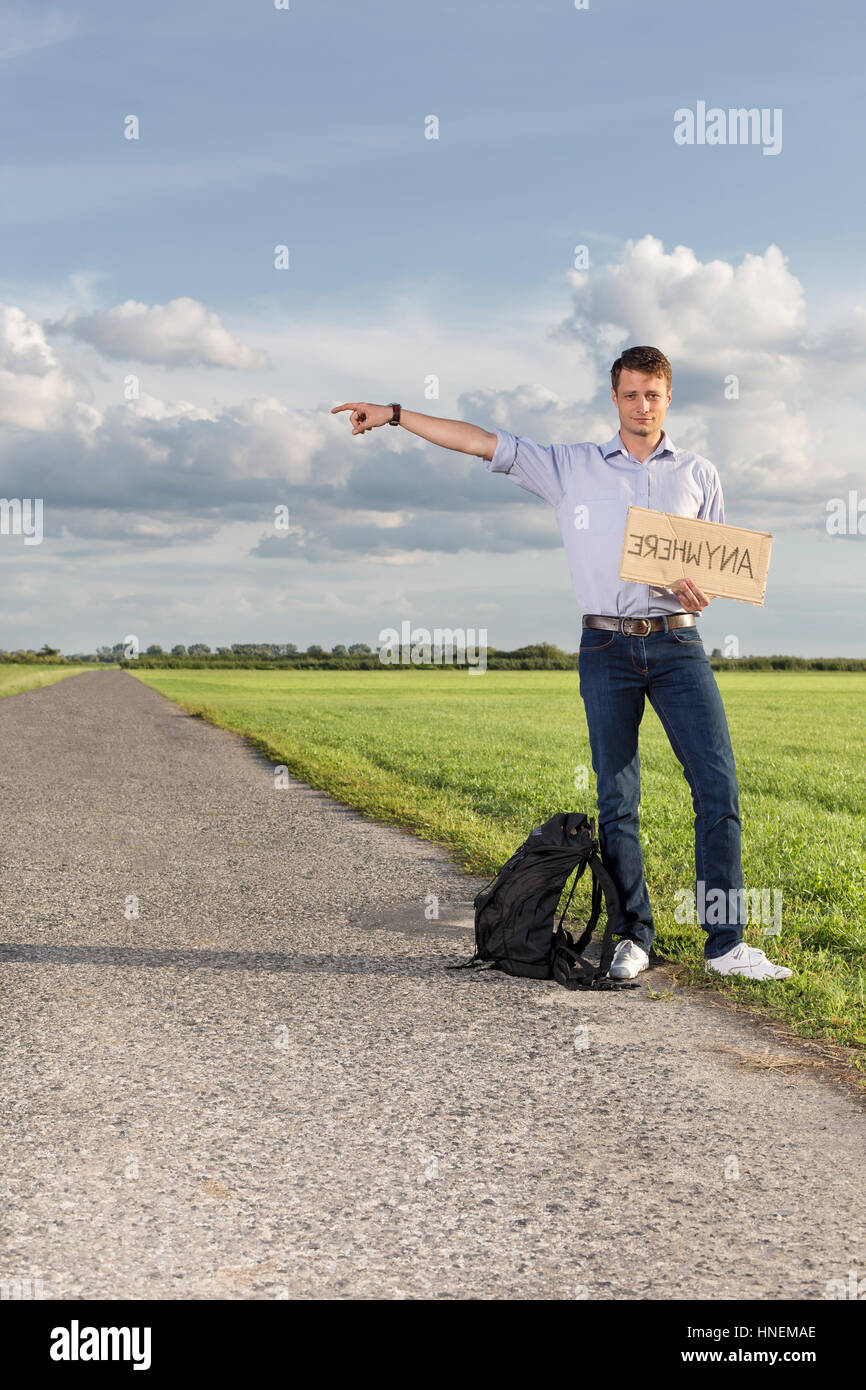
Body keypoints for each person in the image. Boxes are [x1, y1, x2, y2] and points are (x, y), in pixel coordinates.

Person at [331, 345, 792, 981]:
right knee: (617, 796)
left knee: (717, 788)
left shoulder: (699, 474)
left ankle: (725, 944)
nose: (642, 406)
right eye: (630, 394)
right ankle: (633, 935)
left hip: (678, 644)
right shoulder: (570, 467)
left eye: (652, 395)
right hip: (605, 648)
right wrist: (395, 413)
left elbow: (711, 570)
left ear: (667, 398)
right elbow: (479, 441)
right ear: (615, 398)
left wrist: (701, 591)